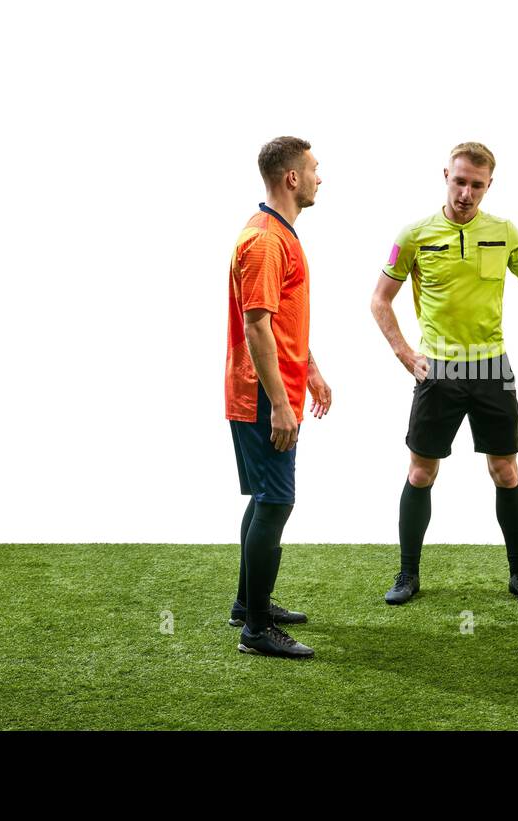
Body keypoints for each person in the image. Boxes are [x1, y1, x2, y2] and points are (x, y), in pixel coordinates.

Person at [371, 141, 518, 605]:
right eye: (460, 181)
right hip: (437, 372)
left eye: (477, 185)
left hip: (491, 368)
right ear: (445, 175)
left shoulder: (503, 231)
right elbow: (379, 299)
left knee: (505, 471)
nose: (466, 193)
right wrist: (405, 353)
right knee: (421, 473)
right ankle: (407, 574)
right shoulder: (414, 234)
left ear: (489, 185)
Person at [225, 136, 332, 658]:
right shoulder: (267, 241)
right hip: (264, 396)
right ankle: (257, 629)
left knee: (264, 500)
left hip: (275, 389)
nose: (319, 177)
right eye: (313, 169)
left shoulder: (279, 234)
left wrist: (309, 370)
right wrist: (282, 403)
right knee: (276, 501)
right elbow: (257, 326)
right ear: (291, 177)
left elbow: (283, 319)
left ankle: (249, 605)